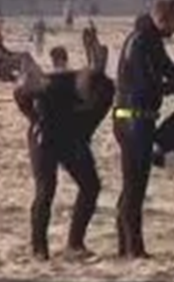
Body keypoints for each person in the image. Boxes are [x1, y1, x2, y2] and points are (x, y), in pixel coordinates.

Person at [113, 0, 174, 259]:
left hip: (137, 118)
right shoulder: (141, 42)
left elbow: (168, 70)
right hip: (133, 119)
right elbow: (152, 83)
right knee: (135, 184)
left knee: (133, 185)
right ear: (165, 18)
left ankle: (126, 246)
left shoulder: (149, 39)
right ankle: (133, 247)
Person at [14, 46, 114, 260]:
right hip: (44, 135)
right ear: (80, 82)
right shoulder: (53, 83)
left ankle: (75, 244)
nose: (90, 100)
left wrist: (83, 136)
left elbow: (92, 121)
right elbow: (20, 92)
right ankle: (39, 248)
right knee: (46, 188)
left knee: (91, 186)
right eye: (86, 94)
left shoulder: (106, 91)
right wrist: (34, 118)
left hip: (73, 137)